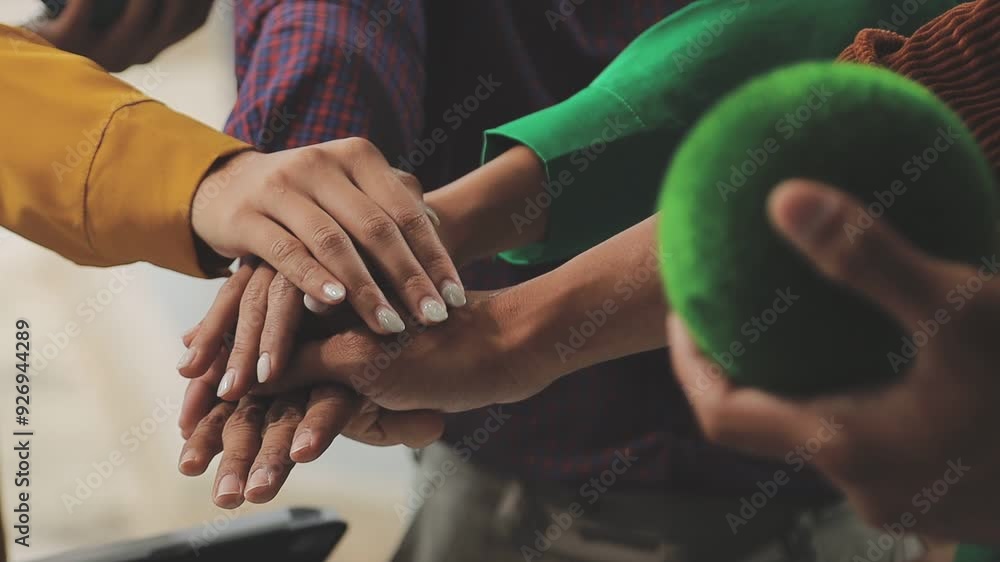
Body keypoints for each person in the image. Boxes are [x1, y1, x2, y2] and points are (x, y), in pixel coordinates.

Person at [176, 2, 962, 561]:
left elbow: (915, 45)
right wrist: (325, 229)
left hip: (846, 488)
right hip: (506, 478)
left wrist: (499, 317)